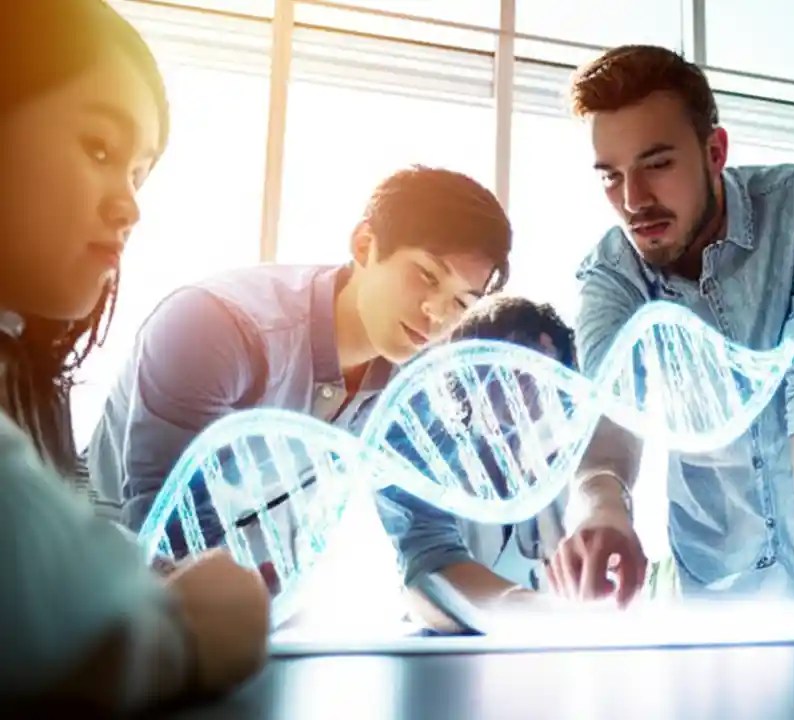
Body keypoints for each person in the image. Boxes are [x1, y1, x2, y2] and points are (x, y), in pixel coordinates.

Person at [86, 165, 514, 624]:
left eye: (462, 303)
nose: (435, 316)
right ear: (364, 245)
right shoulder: (213, 325)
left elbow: (430, 553)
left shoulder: (412, 392)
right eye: (428, 276)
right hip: (94, 553)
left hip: (252, 602)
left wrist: (543, 612)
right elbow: (163, 530)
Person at [1, 0, 267, 711]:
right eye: (98, 149)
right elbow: (70, 629)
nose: (130, 207)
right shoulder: (215, 325)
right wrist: (189, 628)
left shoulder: (24, 369)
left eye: (140, 174)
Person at [547, 44, 794, 605]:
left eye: (657, 165)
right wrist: (602, 510)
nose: (634, 201)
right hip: (718, 575)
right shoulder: (610, 275)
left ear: (714, 151)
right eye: (611, 177)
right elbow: (609, 428)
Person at [376, 294, 574, 633]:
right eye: (513, 359)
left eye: (547, 364)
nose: (529, 379)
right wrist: (550, 616)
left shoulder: (559, 479)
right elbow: (426, 580)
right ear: (466, 373)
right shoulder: (421, 459)